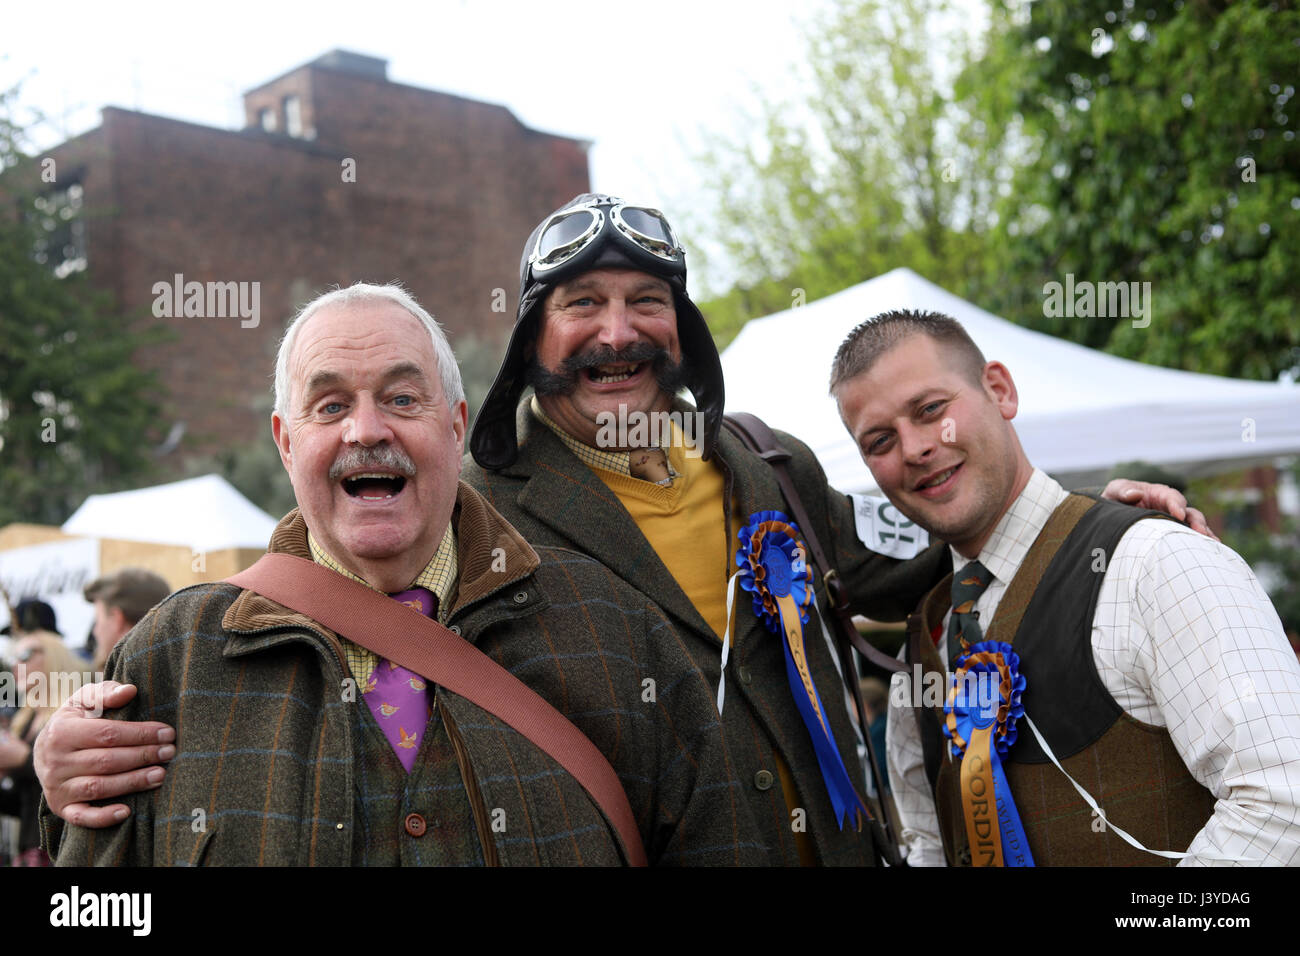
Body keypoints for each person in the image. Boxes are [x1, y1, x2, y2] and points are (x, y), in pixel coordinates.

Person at [37, 196, 1200, 867]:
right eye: (580, 305)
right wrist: (59, 750)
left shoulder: (768, 464)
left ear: (680, 330)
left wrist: (1087, 533)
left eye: (646, 301)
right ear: (530, 342)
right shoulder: (469, 500)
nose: (616, 330)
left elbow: (921, 565)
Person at [45, 282, 759, 866]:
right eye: (331, 406)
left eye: (401, 399)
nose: (366, 430)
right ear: (286, 442)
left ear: (455, 425)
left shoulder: (615, 631)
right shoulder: (170, 658)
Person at [829, 308, 1300, 866]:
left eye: (930, 409)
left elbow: (1281, 802)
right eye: (880, 440)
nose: (913, 448)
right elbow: (929, 846)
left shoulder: (1155, 561)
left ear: (999, 390)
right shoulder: (927, 638)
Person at [0, 631, 88, 865]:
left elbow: (78, 778)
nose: (16, 665)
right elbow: (24, 805)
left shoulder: (73, 712)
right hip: (28, 851)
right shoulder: (23, 722)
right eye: (13, 658)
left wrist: (23, 759)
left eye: (25, 655)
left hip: (61, 849)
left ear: (54, 657)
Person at [83, 568, 171, 672]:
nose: (96, 631)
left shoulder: (123, 678)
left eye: (98, 620)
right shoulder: (179, 669)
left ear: (117, 619)